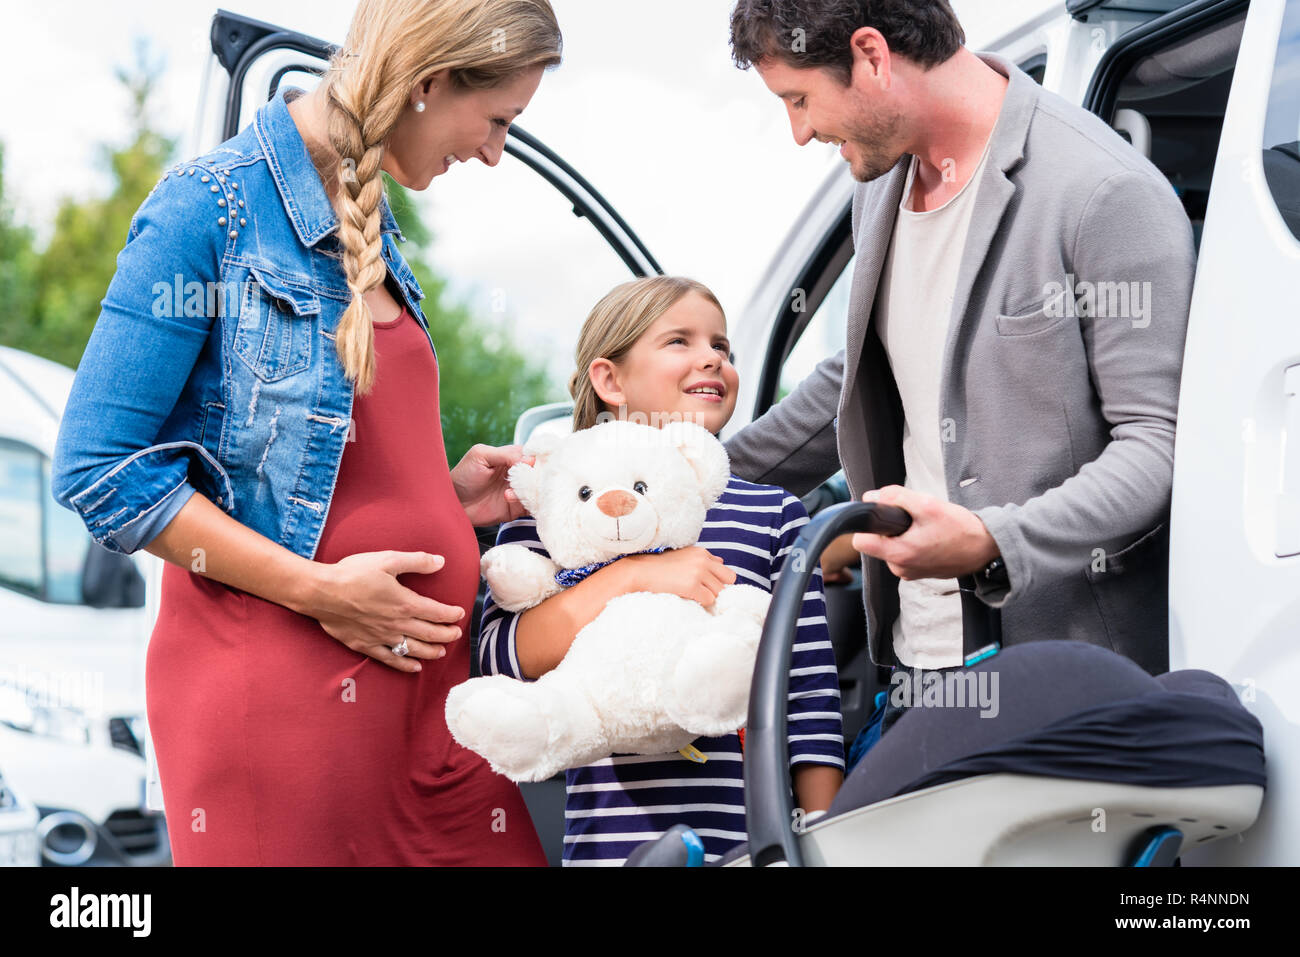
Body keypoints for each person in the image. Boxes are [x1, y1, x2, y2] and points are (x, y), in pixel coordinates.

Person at [50, 0, 564, 866]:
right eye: (498, 120)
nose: (493, 151)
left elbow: (323, 460)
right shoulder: (206, 208)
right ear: (430, 81)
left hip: (431, 702)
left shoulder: (371, 216)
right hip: (283, 700)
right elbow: (99, 468)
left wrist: (444, 493)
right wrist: (323, 590)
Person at [722, 0, 1196, 734]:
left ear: (872, 55)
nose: (800, 131)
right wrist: (682, 483)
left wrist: (990, 541)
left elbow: (1155, 449)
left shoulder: (1103, 191)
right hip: (915, 672)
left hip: (1062, 687)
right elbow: (857, 378)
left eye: (799, 98)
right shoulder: (879, 190)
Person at [477, 276, 845, 865]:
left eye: (723, 347)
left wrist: (825, 835)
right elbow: (502, 662)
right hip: (609, 850)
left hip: (751, 844)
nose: (713, 359)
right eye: (681, 340)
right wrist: (631, 578)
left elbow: (807, 692)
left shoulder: (774, 513)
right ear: (610, 380)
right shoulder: (552, 510)